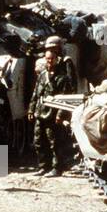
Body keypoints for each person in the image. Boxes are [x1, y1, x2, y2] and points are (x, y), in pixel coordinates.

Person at [30, 35, 78, 175]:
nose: (49, 61)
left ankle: (57, 167)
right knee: (39, 140)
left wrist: (62, 113)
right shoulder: (42, 75)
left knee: (55, 141)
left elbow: (68, 91)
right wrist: (31, 109)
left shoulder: (64, 69)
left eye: (51, 58)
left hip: (54, 110)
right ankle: (43, 166)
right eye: (47, 59)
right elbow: (36, 93)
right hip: (41, 110)